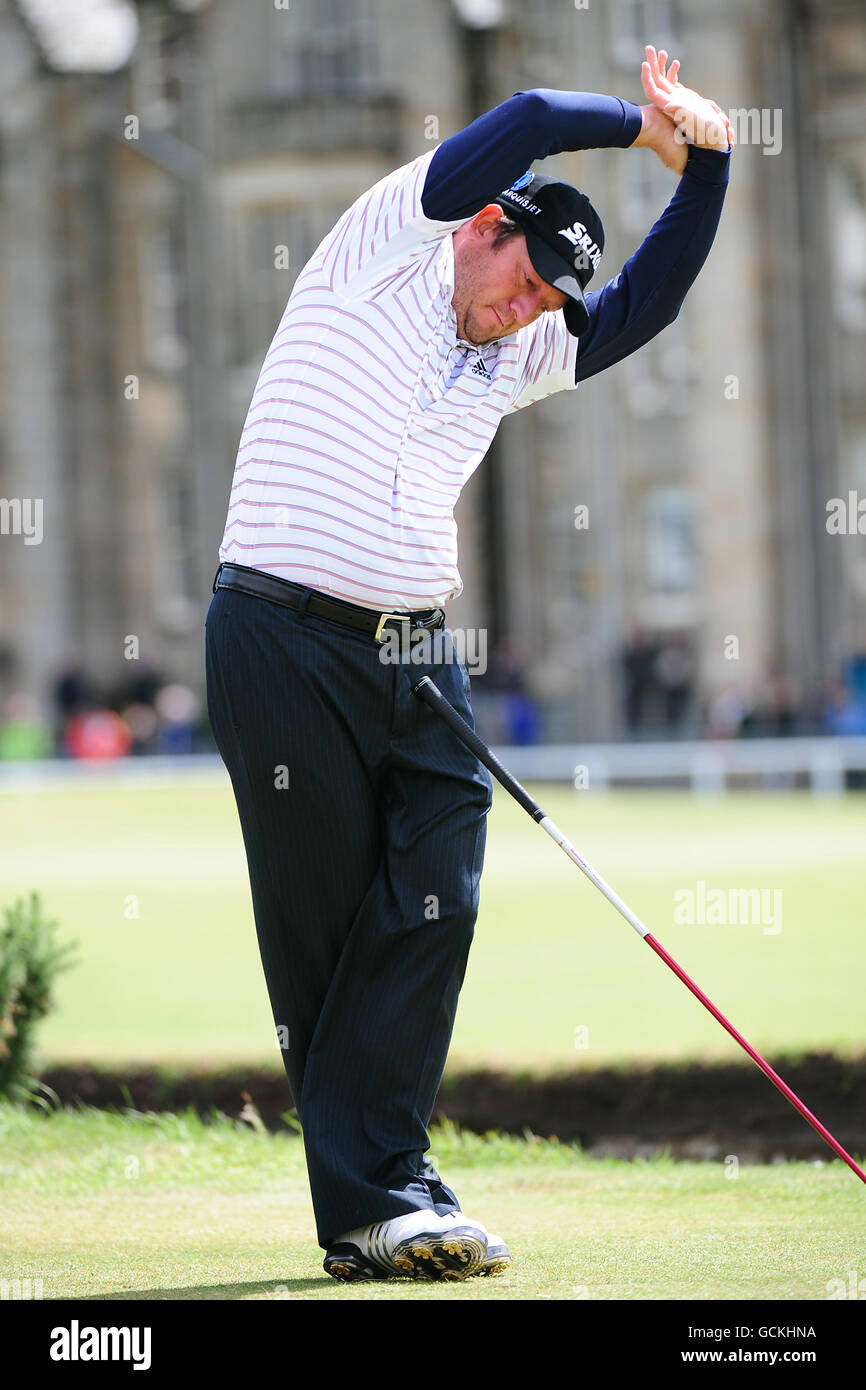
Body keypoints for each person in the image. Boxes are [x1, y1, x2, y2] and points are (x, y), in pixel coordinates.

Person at [204, 46, 733, 1281]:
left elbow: (641, 308)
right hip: (277, 637)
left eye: (552, 301)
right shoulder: (385, 241)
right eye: (528, 279)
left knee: (438, 893)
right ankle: (380, 1201)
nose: (529, 309)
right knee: (326, 934)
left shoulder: (519, 353)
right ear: (487, 228)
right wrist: (647, 131)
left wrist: (709, 172)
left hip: (418, 656)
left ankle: (386, 1184)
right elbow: (529, 117)